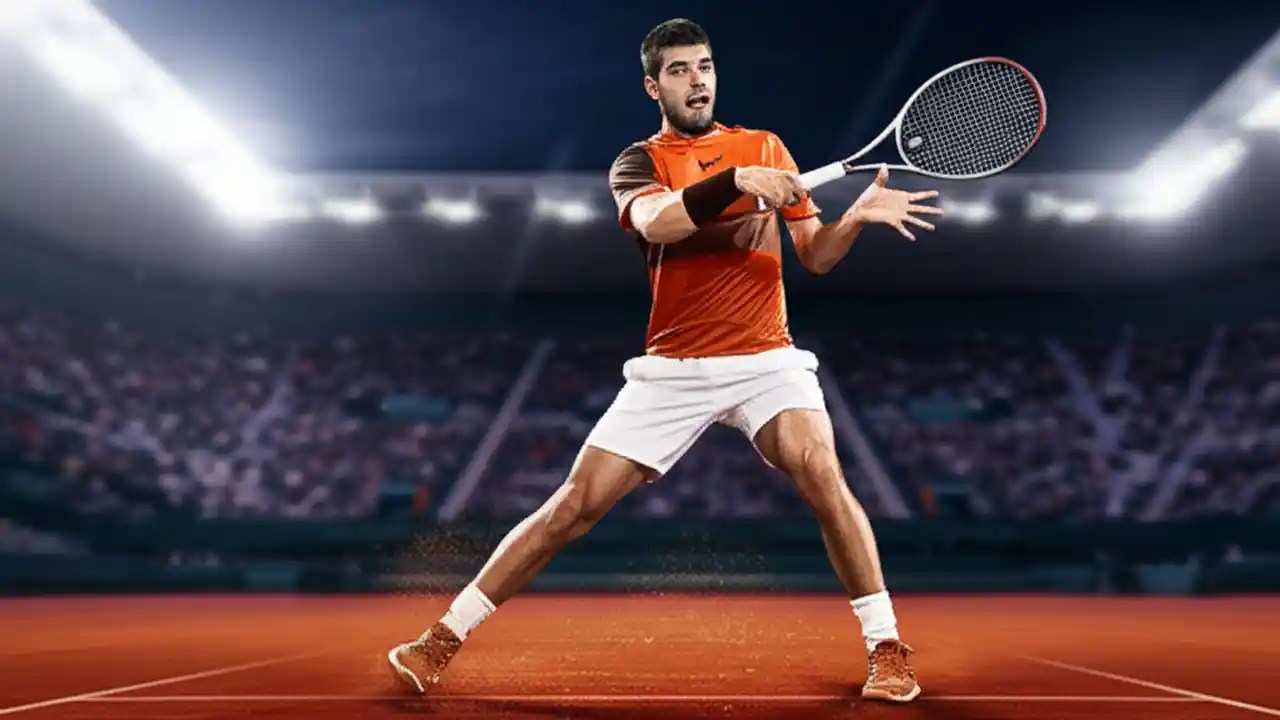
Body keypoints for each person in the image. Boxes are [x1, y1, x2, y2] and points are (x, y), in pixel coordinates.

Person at [389, 17, 942, 704]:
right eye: (679, 70)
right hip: (673, 367)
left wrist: (852, 219)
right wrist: (739, 182)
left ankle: (885, 647)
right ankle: (440, 640)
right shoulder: (638, 162)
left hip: (766, 355)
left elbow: (815, 256)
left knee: (821, 469)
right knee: (573, 508)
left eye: (705, 65)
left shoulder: (765, 144)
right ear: (654, 85)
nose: (697, 79)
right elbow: (659, 223)